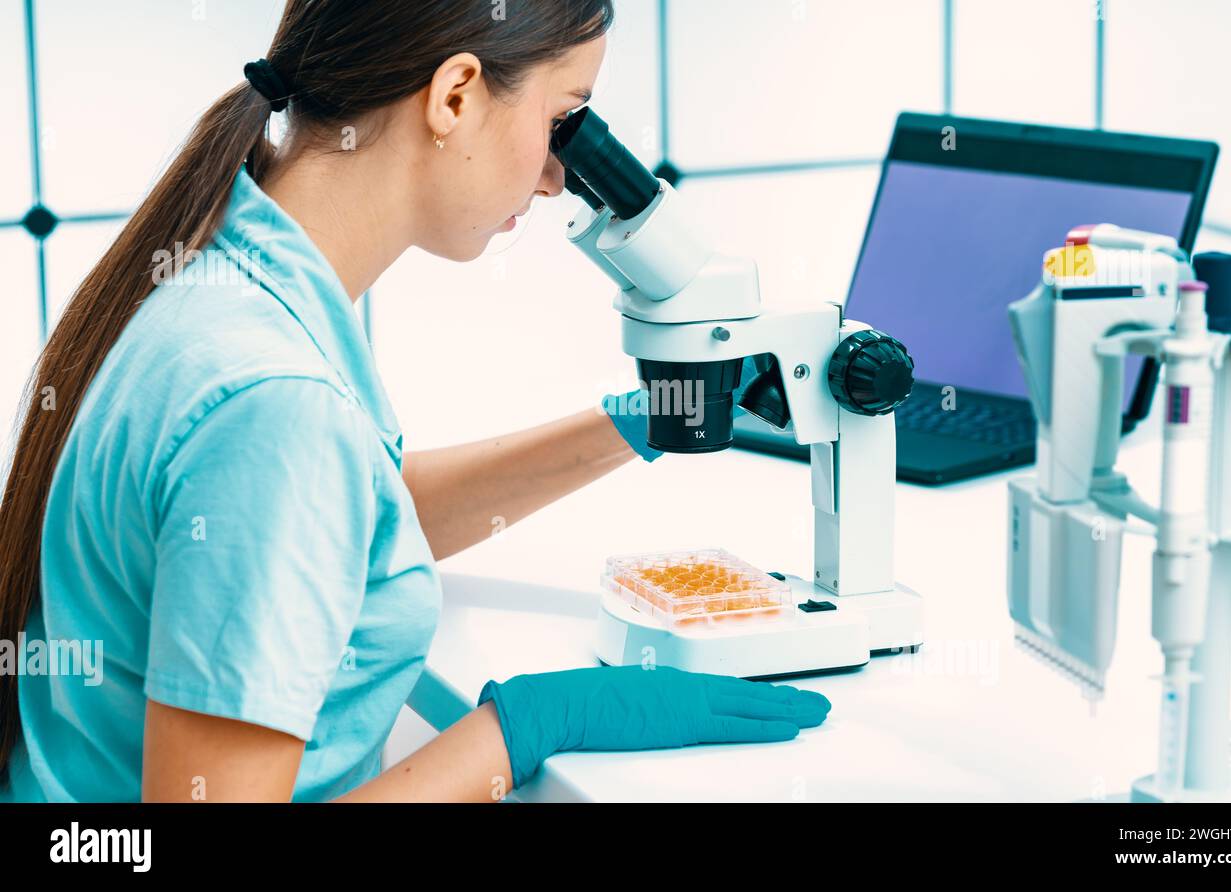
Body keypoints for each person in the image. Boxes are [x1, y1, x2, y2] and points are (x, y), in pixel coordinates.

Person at [0, 0, 829, 803]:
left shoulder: (230, 275)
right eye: (564, 120)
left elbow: (344, 524)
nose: (555, 177)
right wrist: (516, 734)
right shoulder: (276, 405)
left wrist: (633, 425)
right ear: (455, 94)